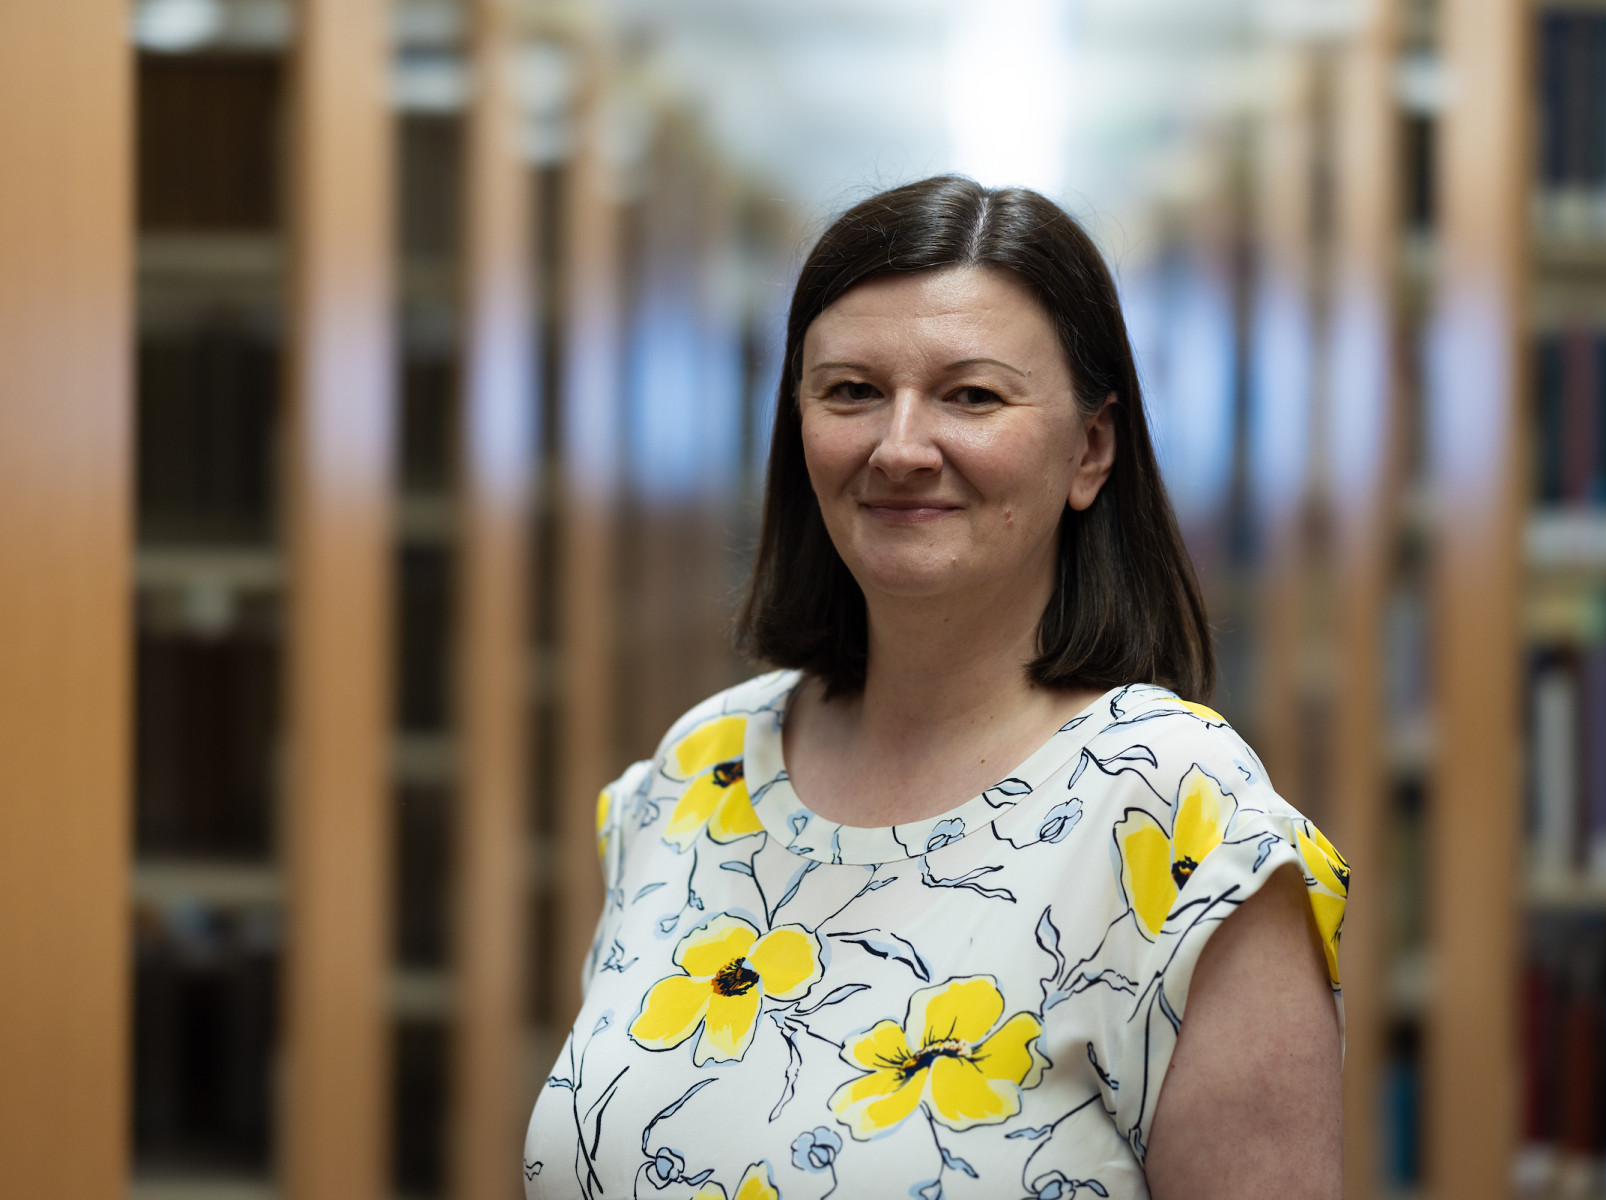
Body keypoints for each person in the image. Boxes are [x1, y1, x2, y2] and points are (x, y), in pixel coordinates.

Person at [523, 175, 1348, 1200]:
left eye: (972, 395)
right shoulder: (692, 775)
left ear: (1090, 448)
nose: (900, 447)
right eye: (851, 391)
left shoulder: (1180, 814)